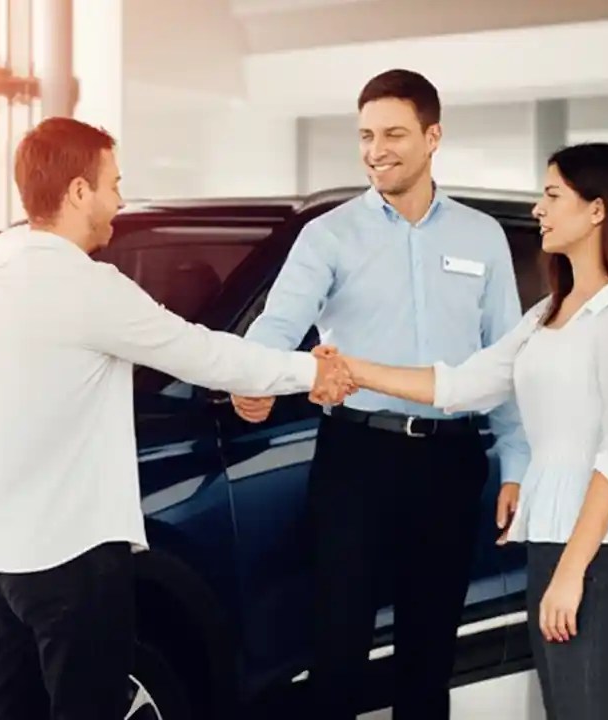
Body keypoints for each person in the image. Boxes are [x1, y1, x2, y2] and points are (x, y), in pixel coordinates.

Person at [0, 116, 353, 720]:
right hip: (73, 560)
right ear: (79, 192)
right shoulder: (88, 288)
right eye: (113, 183)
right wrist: (309, 373)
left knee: (17, 708)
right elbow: (204, 353)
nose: (119, 199)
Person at [330, 141, 608, 719]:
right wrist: (349, 369)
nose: (538, 208)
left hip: (600, 553)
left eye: (552, 195)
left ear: (597, 210)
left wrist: (571, 572)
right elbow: (460, 386)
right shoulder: (546, 315)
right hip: (553, 540)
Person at [231, 69, 531, 719]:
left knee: (429, 655)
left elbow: (502, 360)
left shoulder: (481, 237)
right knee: (337, 650)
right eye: (365, 135)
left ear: (433, 137)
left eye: (393, 133)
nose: (376, 149)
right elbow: (276, 331)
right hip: (357, 461)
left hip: (452, 460)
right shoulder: (329, 237)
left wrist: (516, 462)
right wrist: (249, 384)